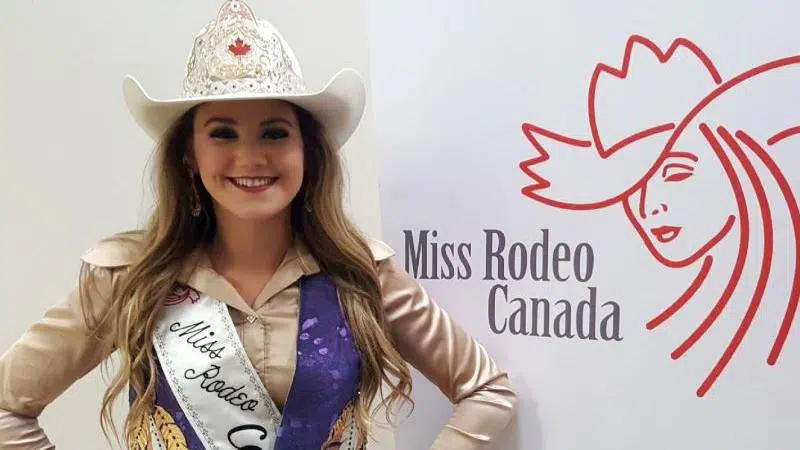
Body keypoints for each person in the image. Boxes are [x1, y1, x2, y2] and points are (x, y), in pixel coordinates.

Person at [0, 1, 517, 449]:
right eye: (223, 133)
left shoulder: (362, 274)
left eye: (274, 133)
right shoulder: (126, 278)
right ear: (189, 156)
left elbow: (487, 391)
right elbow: (8, 408)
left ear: (306, 152)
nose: (250, 157)